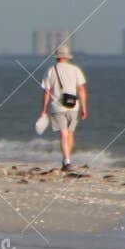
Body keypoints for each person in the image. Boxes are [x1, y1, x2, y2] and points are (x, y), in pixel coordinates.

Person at [37, 43, 88, 171]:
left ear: (56, 57)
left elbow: (46, 91)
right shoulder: (75, 70)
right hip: (73, 105)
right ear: (67, 57)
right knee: (70, 133)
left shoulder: (50, 70)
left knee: (63, 134)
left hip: (57, 106)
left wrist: (43, 110)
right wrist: (84, 108)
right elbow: (81, 89)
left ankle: (66, 160)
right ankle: (67, 159)